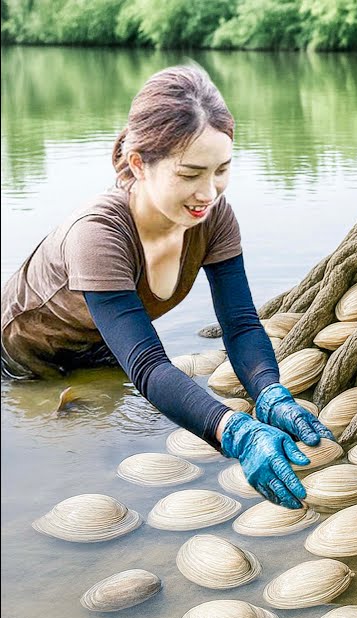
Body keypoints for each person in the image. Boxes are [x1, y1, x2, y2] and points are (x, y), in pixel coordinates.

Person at [0, 65, 331, 506]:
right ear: (139, 163)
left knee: (137, 424)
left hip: (105, 343)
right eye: (191, 173)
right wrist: (234, 432)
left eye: (221, 170)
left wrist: (269, 391)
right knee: (78, 464)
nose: (208, 192)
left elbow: (241, 323)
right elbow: (148, 365)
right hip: (25, 357)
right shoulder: (98, 233)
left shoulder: (212, 217)